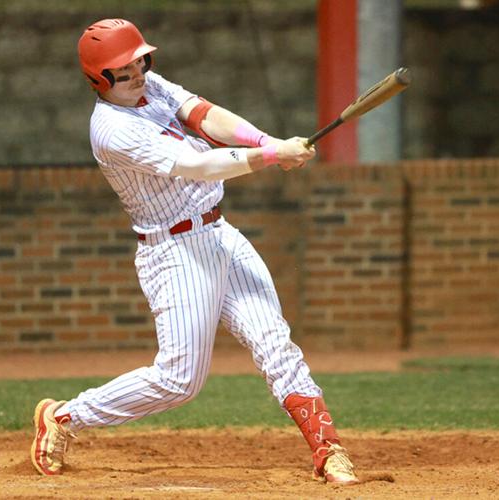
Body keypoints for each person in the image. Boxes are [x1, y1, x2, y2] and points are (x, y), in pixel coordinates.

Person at [30, 18, 358, 485]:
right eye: (124, 69)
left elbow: (205, 115)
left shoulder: (152, 87)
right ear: (99, 78)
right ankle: (65, 417)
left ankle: (329, 451)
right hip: (175, 253)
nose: (138, 72)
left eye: (141, 61)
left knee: (275, 343)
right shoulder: (111, 129)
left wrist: (267, 141)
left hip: (219, 233)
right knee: (180, 380)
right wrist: (270, 158)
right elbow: (198, 164)